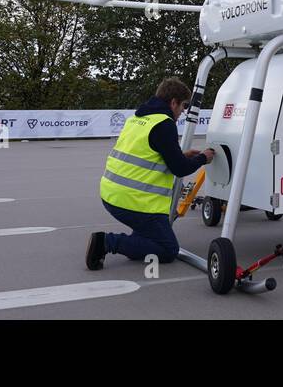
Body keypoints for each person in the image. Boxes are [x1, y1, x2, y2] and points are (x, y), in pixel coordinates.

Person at [86, 77, 214, 270]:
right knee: (168, 249)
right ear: (173, 102)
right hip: (136, 202)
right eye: (183, 106)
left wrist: (181, 155)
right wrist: (204, 158)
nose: (182, 112)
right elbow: (179, 169)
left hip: (111, 195)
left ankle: (137, 243)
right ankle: (107, 242)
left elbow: (152, 154)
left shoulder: (138, 119)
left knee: (149, 235)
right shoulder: (164, 124)